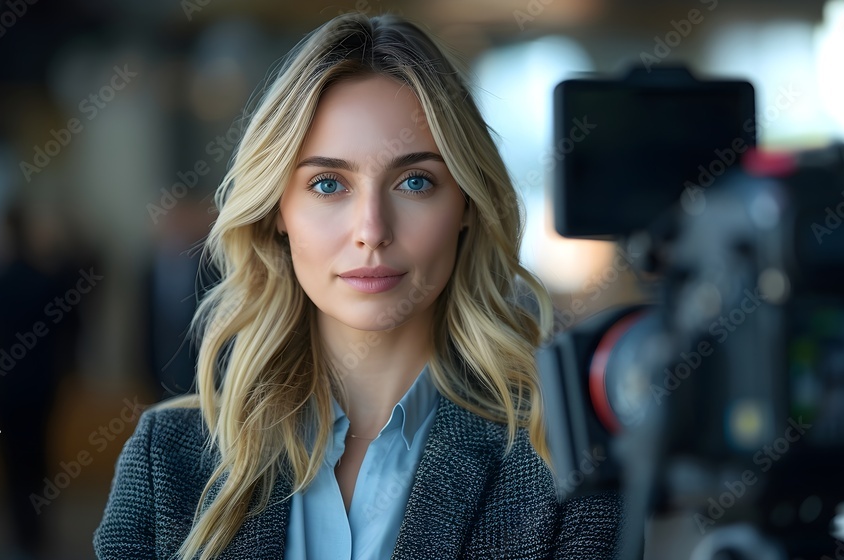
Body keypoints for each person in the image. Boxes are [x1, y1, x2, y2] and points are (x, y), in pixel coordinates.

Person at [94, 12, 623, 559]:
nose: (372, 231)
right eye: (328, 184)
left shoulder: (564, 457)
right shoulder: (166, 461)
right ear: (278, 210)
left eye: (415, 181)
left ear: (466, 204)